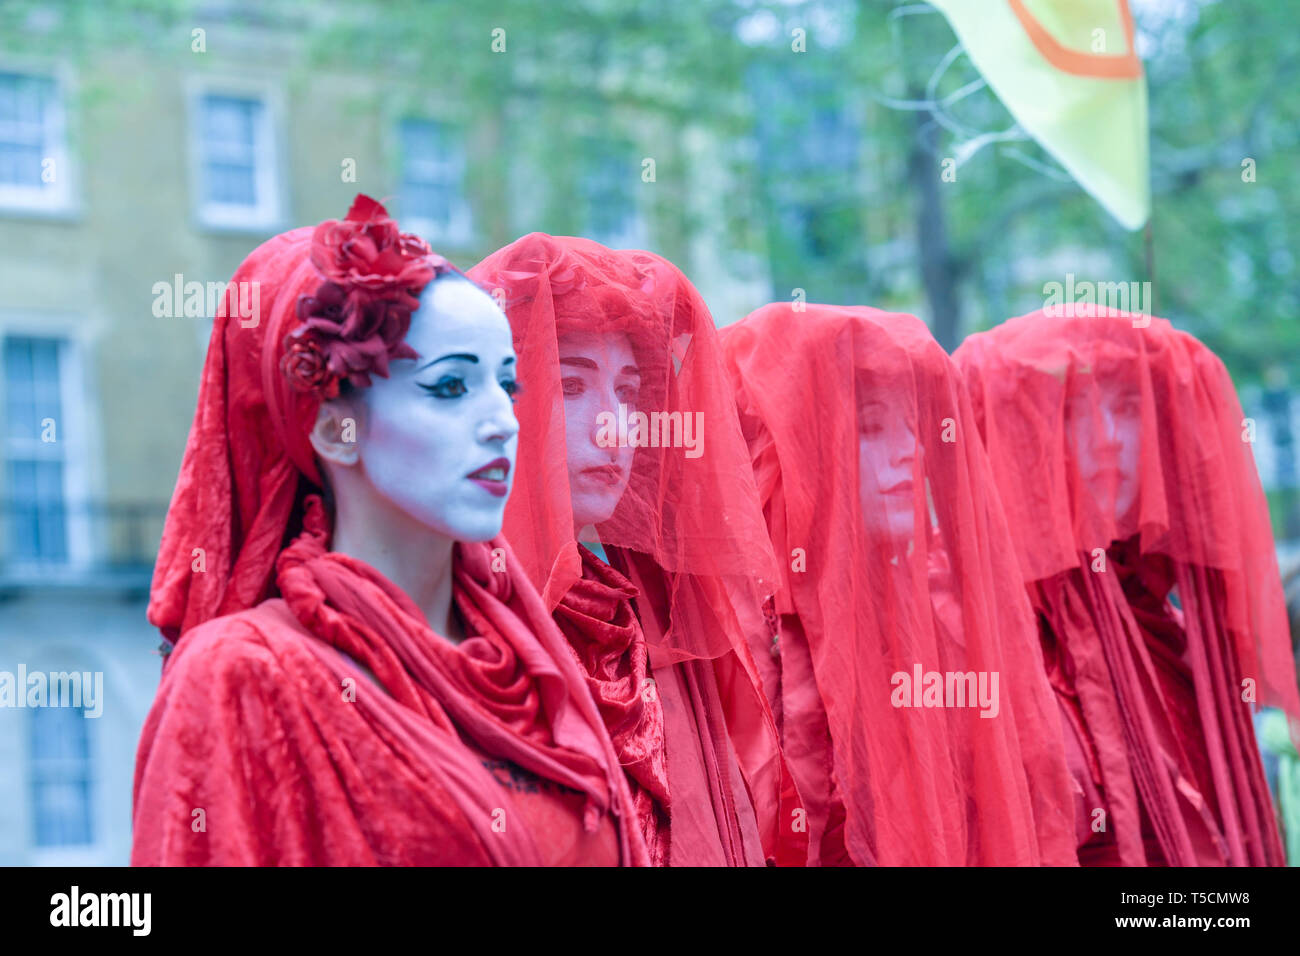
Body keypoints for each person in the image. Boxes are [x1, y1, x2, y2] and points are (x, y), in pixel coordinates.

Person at [133, 196, 648, 866]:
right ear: (332, 428)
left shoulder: (533, 659)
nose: (503, 422)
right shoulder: (244, 675)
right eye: (449, 388)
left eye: (507, 386)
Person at [469, 234, 804, 866]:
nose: (615, 427)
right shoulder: (449, 621)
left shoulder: (648, 618)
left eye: (628, 392)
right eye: (570, 387)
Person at [718, 302, 1078, 865]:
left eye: (911, 425)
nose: (908, 453)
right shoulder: (724, 638)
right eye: (871, 427)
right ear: (788, 445)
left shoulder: (947, 621)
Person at [954, 306, 1300, 866]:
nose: (1111, 439)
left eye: (1128, 406)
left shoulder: (1174, 631)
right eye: (1077, 411)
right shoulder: (955, 638)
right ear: (1018, 434)